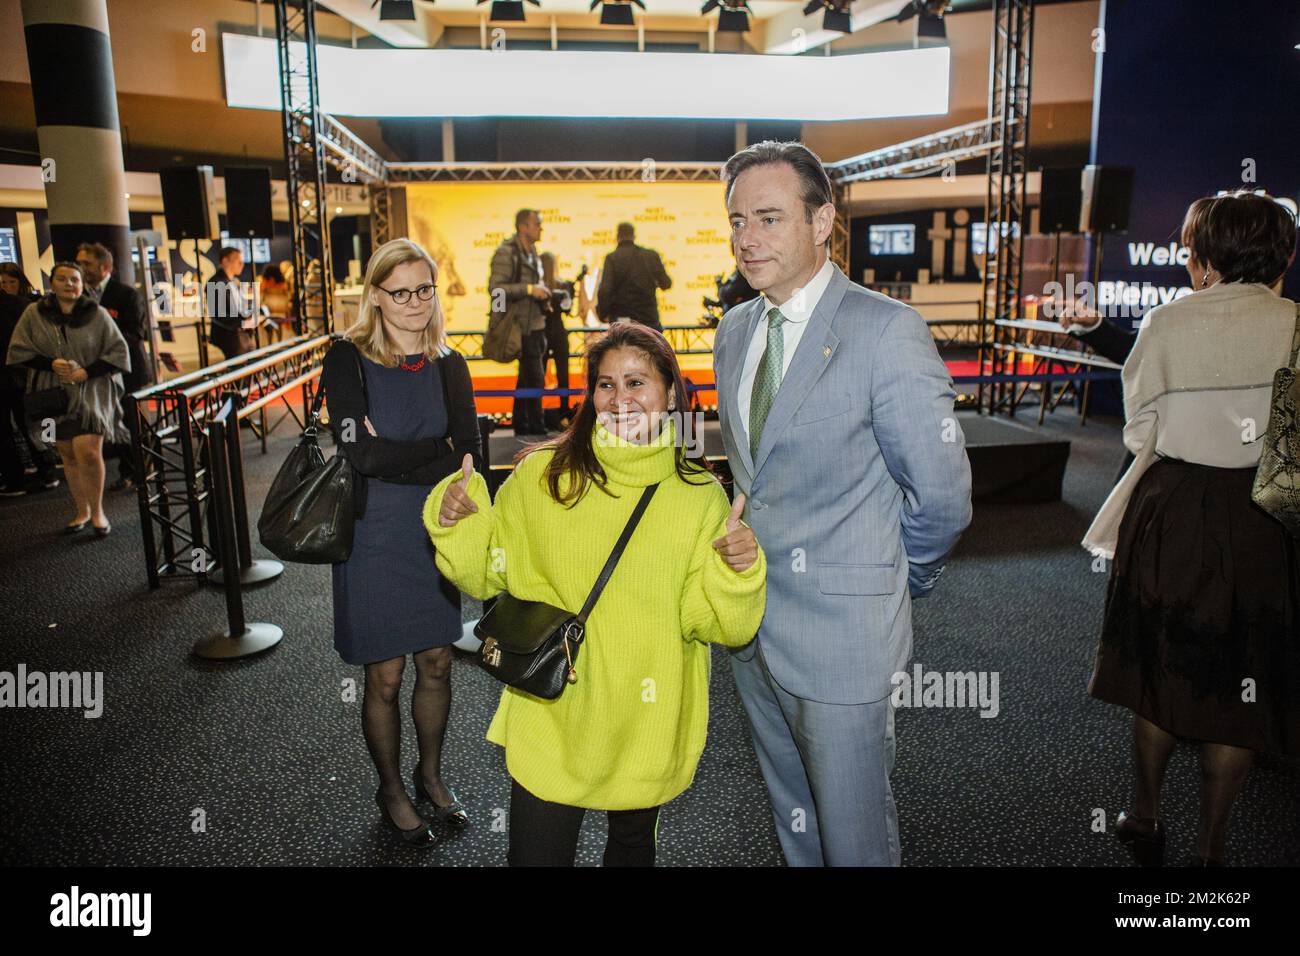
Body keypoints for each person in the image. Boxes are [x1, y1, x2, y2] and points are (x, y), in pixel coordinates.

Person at [713, 141, 972, 867]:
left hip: (844, 641)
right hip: (751, 629)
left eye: (768, 218)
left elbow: (944, 497)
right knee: (794, 823)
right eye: (736, 221)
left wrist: (895, 578)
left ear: (823, 221)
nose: (746, 240)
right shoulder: (735, 331)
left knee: (855, 839)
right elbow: (752, 478)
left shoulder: (886, 331)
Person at [425, 321, 767, 866]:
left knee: (631, 850)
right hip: (555, 710)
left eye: (637, 382)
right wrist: (457, 522)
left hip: (645, 716)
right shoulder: (543, 474)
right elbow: (487, 575)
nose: (620, 399)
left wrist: (738, 572)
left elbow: (718, 625)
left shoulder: (700, 496)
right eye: (606, 385)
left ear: (671, 393)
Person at [1083, 190, 1300, 867]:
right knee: (1241, 682)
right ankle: (1214, 846)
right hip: (1264, 516)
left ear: (1204, 254)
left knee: (1159, 667)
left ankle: (1145, 817)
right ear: (1281, 252)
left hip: (1172, 510)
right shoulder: (1295, 324)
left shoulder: (1165, 324)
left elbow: (1139, 429)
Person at [319, 238, 481, 846]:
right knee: (384, 675)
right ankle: (390, 788)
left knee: (437, 662)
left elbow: (470, 456)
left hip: (437, 531)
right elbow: (360, 456)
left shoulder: (449, 363)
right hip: (373, 536)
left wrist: (408, 454)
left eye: (423, 289)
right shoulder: (347, 359)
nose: (414, 302)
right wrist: (434, 454)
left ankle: (431, 775)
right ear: (376, 297)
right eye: (399, 291)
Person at [6, 262, 130, 536]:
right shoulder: (33, 313)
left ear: (81, 283)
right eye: (62, 279)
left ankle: (98, 512)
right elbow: (18, 352)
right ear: (52, 283)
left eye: (74, 279)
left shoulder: (95, 314)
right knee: (68, 453)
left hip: (92, 391)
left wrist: (86, 371)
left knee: (88, 449)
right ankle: (81, 510)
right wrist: (51, 364)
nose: (69, 284)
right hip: (54, 393)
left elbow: (118, 353)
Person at [76, 242, 152, 490]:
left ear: (105, 266)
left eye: (86, 263)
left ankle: (146, 469)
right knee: (115, 424)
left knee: (136, 424)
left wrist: (102, 347)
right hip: (100, 375)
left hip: (130, 373)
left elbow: (136, 334)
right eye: (79, 262)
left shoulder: (127, 295)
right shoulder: (80, 298)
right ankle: (128, 471)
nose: (81, 268)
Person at [488, 209, 549, 435]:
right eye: (536, 224)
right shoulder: (507, 253)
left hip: (535, 325)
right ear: (523, 227)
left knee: (528, 378)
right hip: (518, 327)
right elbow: (495, 290)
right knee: (534, 379)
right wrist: (530, 290)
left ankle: (523, 426)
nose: (540, 228)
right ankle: (535, 429)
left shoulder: (532, 252)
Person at [0, 263, 58, 495]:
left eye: (10, 282)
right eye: (3, 282)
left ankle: (20, 477)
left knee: (25, 425)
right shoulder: (30, 305)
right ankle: (48, 469)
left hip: (18, 375)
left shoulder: (24, 306)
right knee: (33, 424)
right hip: (25, 374)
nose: (6, 287)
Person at [595, 222, 672, 331]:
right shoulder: (651, 255)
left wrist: (602, 314)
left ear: (617, 237)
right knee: (650, 347)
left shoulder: (612, 258)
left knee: (624, 345)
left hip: (623, 320)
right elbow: (666, 284)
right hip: (649, 319)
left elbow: (605, 290)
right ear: (634, 236)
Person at [538, 251, 572, 428]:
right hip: (558, 333)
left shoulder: (539, 288)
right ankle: (563, 415)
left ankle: (538, 417)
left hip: (543, 333)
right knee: (562, 375)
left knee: (539, 375)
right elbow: (568, 309)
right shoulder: (561, 285)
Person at [204, 246, 254, 362]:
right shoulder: (215, 282)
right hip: (228, 336)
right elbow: (218, 314)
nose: (242, 264)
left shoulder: (232, 282)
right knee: (241, 369)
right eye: (238, 261)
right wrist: (242, 321)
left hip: (239, 333)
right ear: (225, 261)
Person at [258, 264, 291, 344]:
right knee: (278, 330)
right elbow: (287, 298)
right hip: (280, 312)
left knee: (270, 330)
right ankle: (278, 344)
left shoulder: (265, 282)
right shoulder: (283, 284)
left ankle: (270, 345)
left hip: (270, 311)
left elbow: (261, 294)